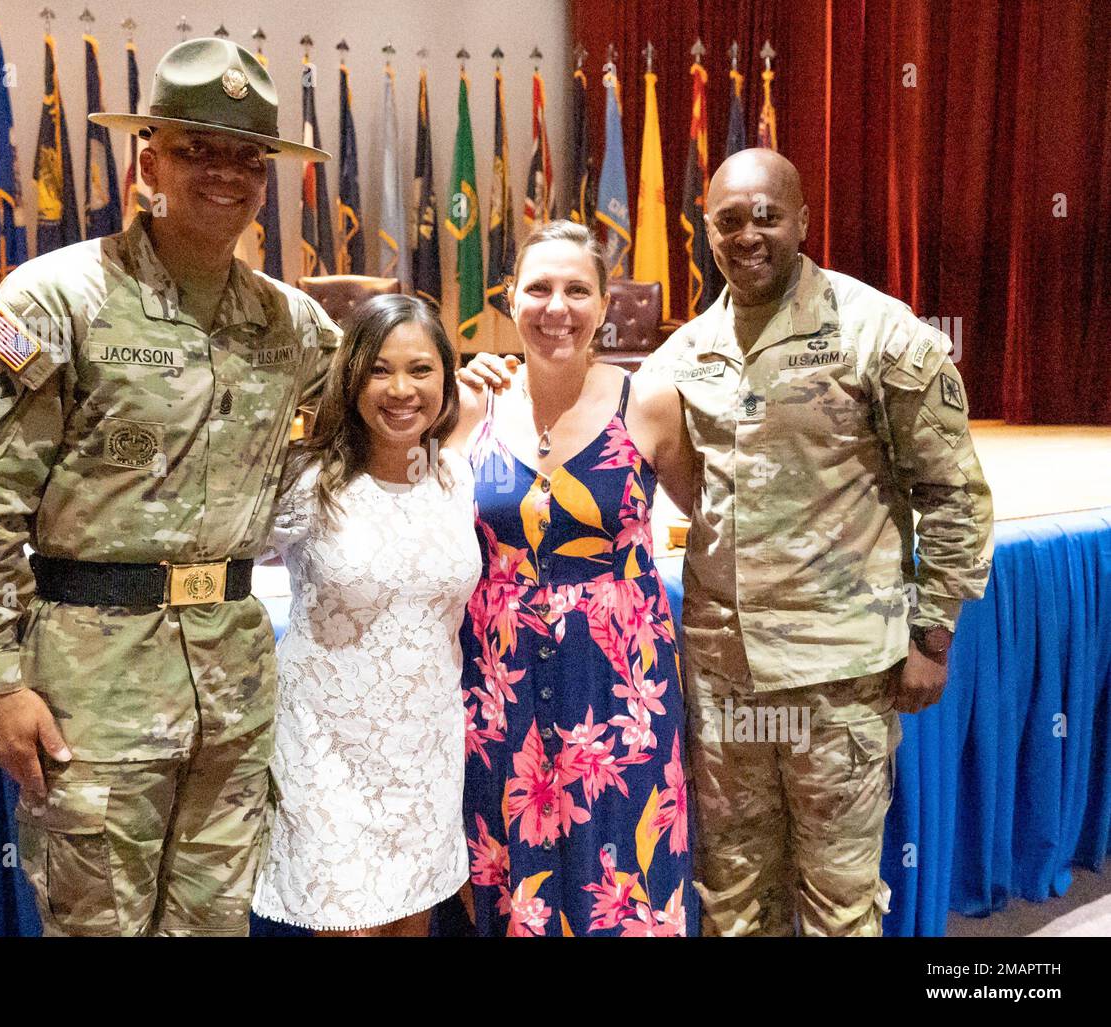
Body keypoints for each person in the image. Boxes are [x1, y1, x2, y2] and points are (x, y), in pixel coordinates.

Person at [0, 38, 340, 937]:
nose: (224, 172)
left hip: (230, 687)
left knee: (215, 926)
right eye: (197, 149)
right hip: (90, 692)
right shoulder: (53, 303)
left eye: (246, 156)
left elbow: (385, 404)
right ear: (147, 161)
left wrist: (476, 389)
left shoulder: (293, 324)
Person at [634, 147, 995, 936]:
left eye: (767, 215)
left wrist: (932, 637)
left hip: (840, 679)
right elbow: (692, 488)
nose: (749, 234)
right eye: (729, 220)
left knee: (840, 907)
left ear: (802, 219)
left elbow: (955, 496)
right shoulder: (686, 351)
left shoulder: (884, 335)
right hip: (728, 681)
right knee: (733, 900)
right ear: (707, 228)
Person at [458, 220, 699, 936]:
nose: (555, 306)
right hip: (499, 682)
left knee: (625, 867)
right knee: (511, 873)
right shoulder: (473, 405)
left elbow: (712, 513)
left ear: (602, 303)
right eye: (538, 288)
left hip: (621, 681)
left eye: (576, 290)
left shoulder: (648, 402)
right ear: (510, 298)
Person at [251, 294, 482, 936]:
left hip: (426, 752)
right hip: (326, 754)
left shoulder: (457, 479)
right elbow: (215, 560)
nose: (401, 389)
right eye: (380, 370)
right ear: (352, 377)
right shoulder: (310, 483)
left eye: (421, 369)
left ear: (446, 377)